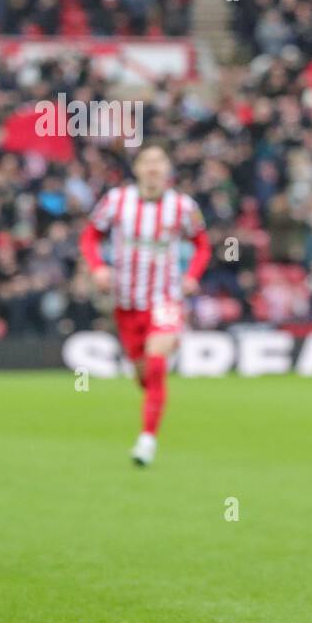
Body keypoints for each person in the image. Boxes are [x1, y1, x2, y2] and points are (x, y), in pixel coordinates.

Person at [80, 144, 210, 466]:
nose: (153, 167)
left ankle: (146, 440)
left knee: (155, 365)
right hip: (126, 302)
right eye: (147, 162)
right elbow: (89, 237)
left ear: (168, 169)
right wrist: (97, 266)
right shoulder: (115, 201)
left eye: (159, 161)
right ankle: (153, 391)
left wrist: (192, 275)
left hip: (164, 298)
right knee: (143, 376)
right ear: (137, 168)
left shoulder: (183, 206)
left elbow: (203, 245)